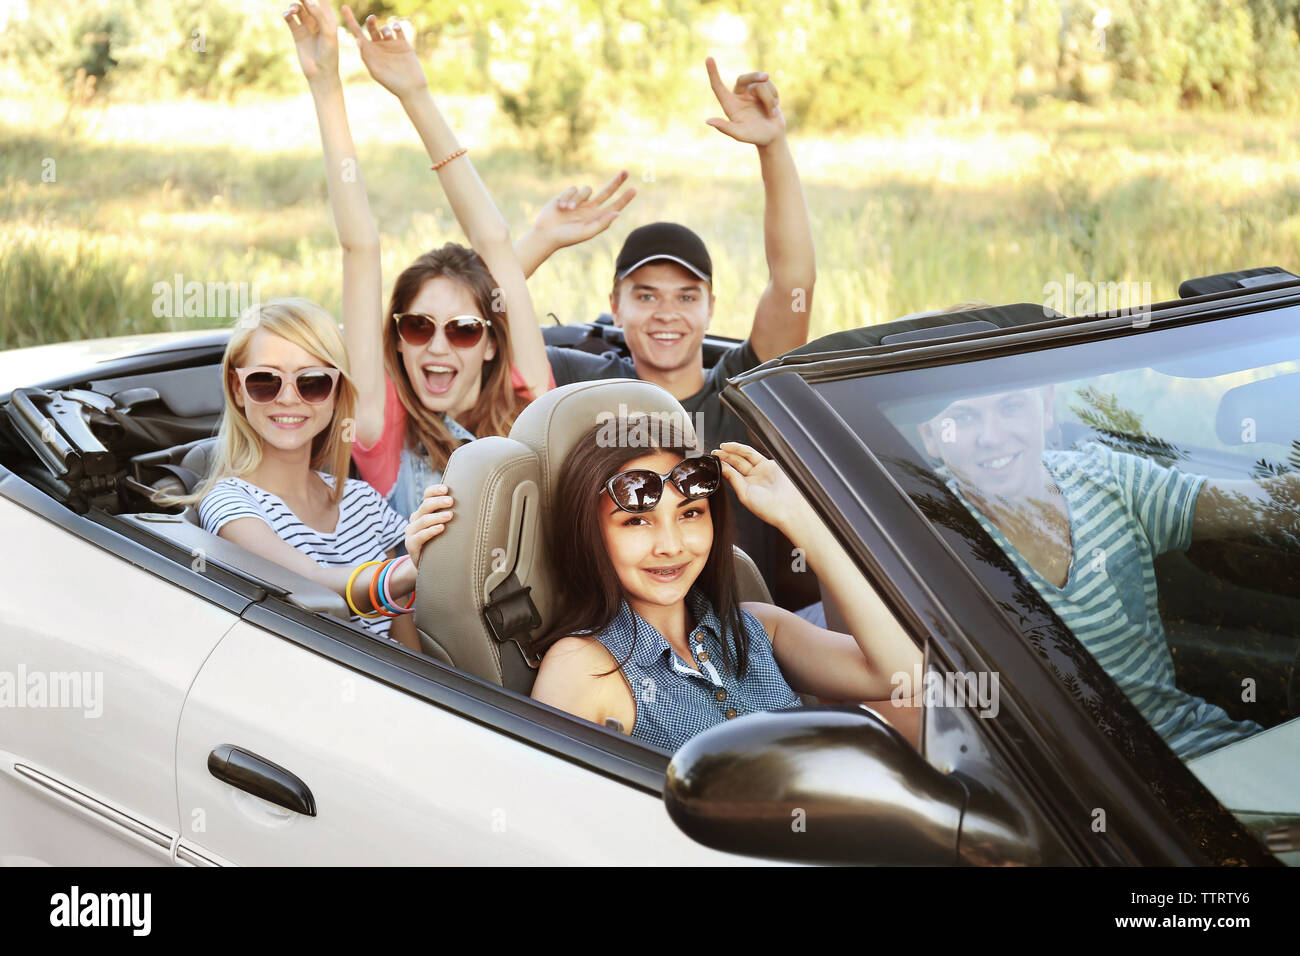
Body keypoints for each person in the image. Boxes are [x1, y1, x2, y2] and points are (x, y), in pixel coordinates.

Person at [517, 59, 817, 594]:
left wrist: (772, 148)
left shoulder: (739, 393)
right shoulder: (582, 385)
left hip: (742, 623)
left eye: (686, 296)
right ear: (614, 303)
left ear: (710, 306)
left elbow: (793, 280)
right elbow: (470, 326)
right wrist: (541, 240)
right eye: (646, 295)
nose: (666, 314)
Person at [285, 0, 565, 519]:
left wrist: (414, 93)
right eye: (417, 326)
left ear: (488, 344)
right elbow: (360, 247)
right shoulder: (383, 427)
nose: (437, 347)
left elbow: (494, 239)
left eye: (461, 329)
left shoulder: (528, 401)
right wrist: (325, 82)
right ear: (396, 338)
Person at [917, 384, 1300, 760]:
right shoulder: (925, 540)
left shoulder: (1105, 475)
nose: (992, 436)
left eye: (1011, 406)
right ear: (930, 437)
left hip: (1197, 745)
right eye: (963, 416)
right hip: (1076, 793)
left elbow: (1262, 505)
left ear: (1046, 407)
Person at [528, 417, 923, 752]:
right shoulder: (583, 667)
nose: (671, 546)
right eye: (636, 521)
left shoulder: (756, 628)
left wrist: (801, 520)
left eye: (690, 514)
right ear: (590, 532)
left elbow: (902, 671)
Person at [171, 298, 453, 650]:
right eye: (264, 381)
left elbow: (407, 646)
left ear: (336, 394)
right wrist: (407, 571)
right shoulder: (229, 503)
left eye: (313, 382)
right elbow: (313, 587)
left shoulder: (363, 500)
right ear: (237, 390)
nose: (289, 398)